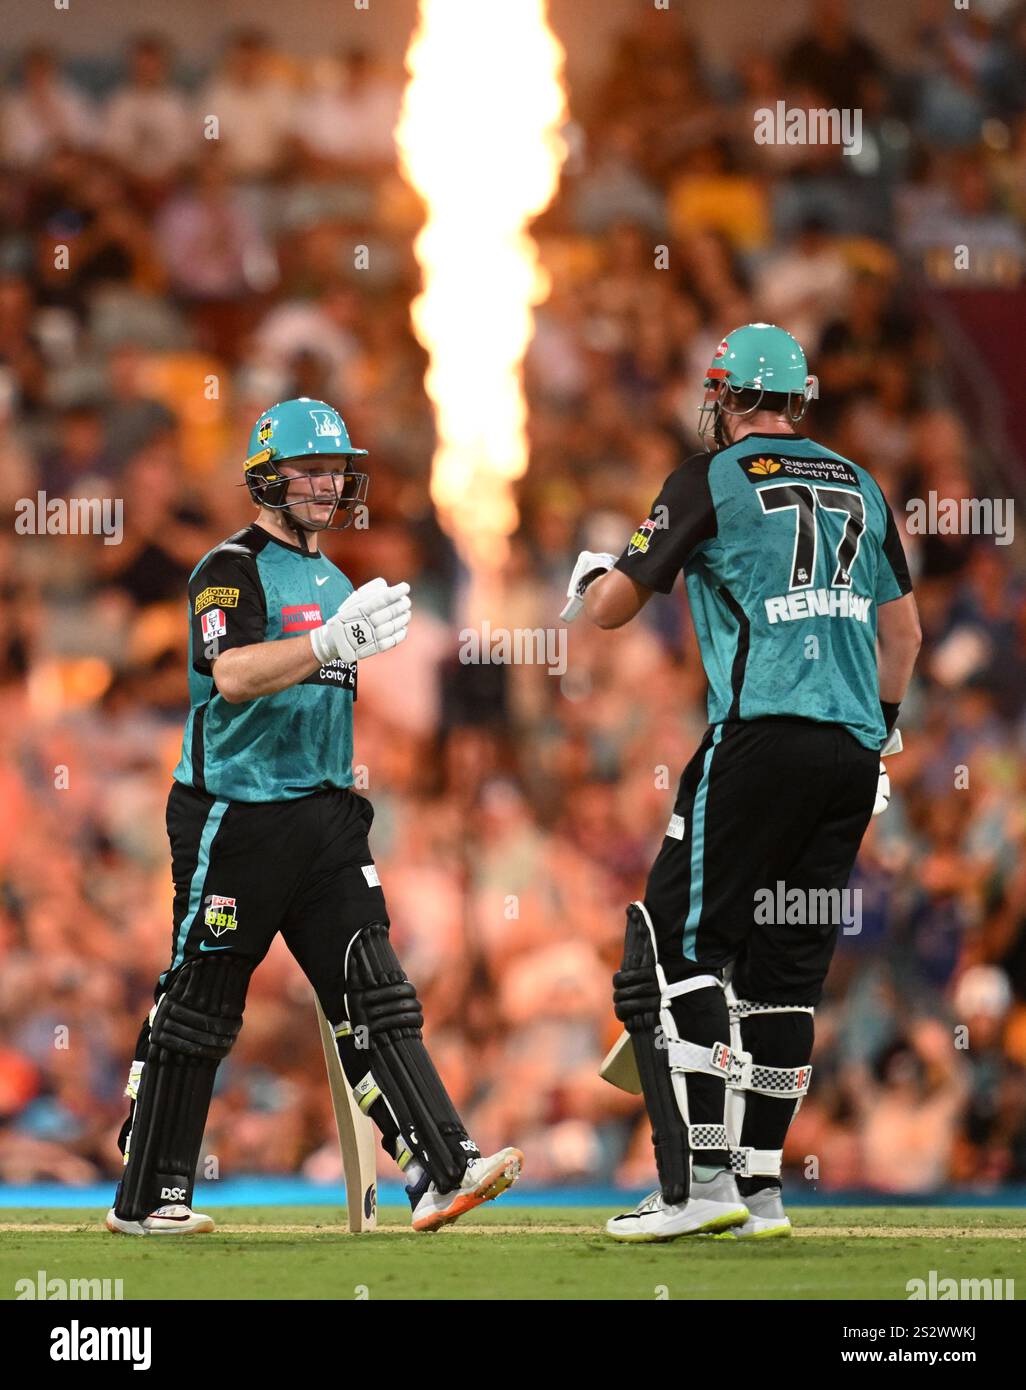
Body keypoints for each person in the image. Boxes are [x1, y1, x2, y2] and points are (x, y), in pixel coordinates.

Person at [106, 396, 522, 1235]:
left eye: (335, 469)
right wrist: (331, 644)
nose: (327, 483)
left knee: (376, 986)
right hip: (236, 812)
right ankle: (152, 1196)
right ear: (267, 475)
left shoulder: (337, 581)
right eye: (309, 469)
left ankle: (441, 1171)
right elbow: (232, 676)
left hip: (325, 811)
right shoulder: (228, 567)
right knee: (204, 998)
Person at [562, 324, 920, 1241]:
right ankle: (761, 1189)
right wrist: (875, 734)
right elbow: (905, 637)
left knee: (675, 945)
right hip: (851, 752)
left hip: (760, 738)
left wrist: (598, 573)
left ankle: (700, 1183)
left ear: (725, 395)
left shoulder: (709, 478)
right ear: (797, 398)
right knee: (783, 975)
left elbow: (610, 613)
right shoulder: (862, 483)